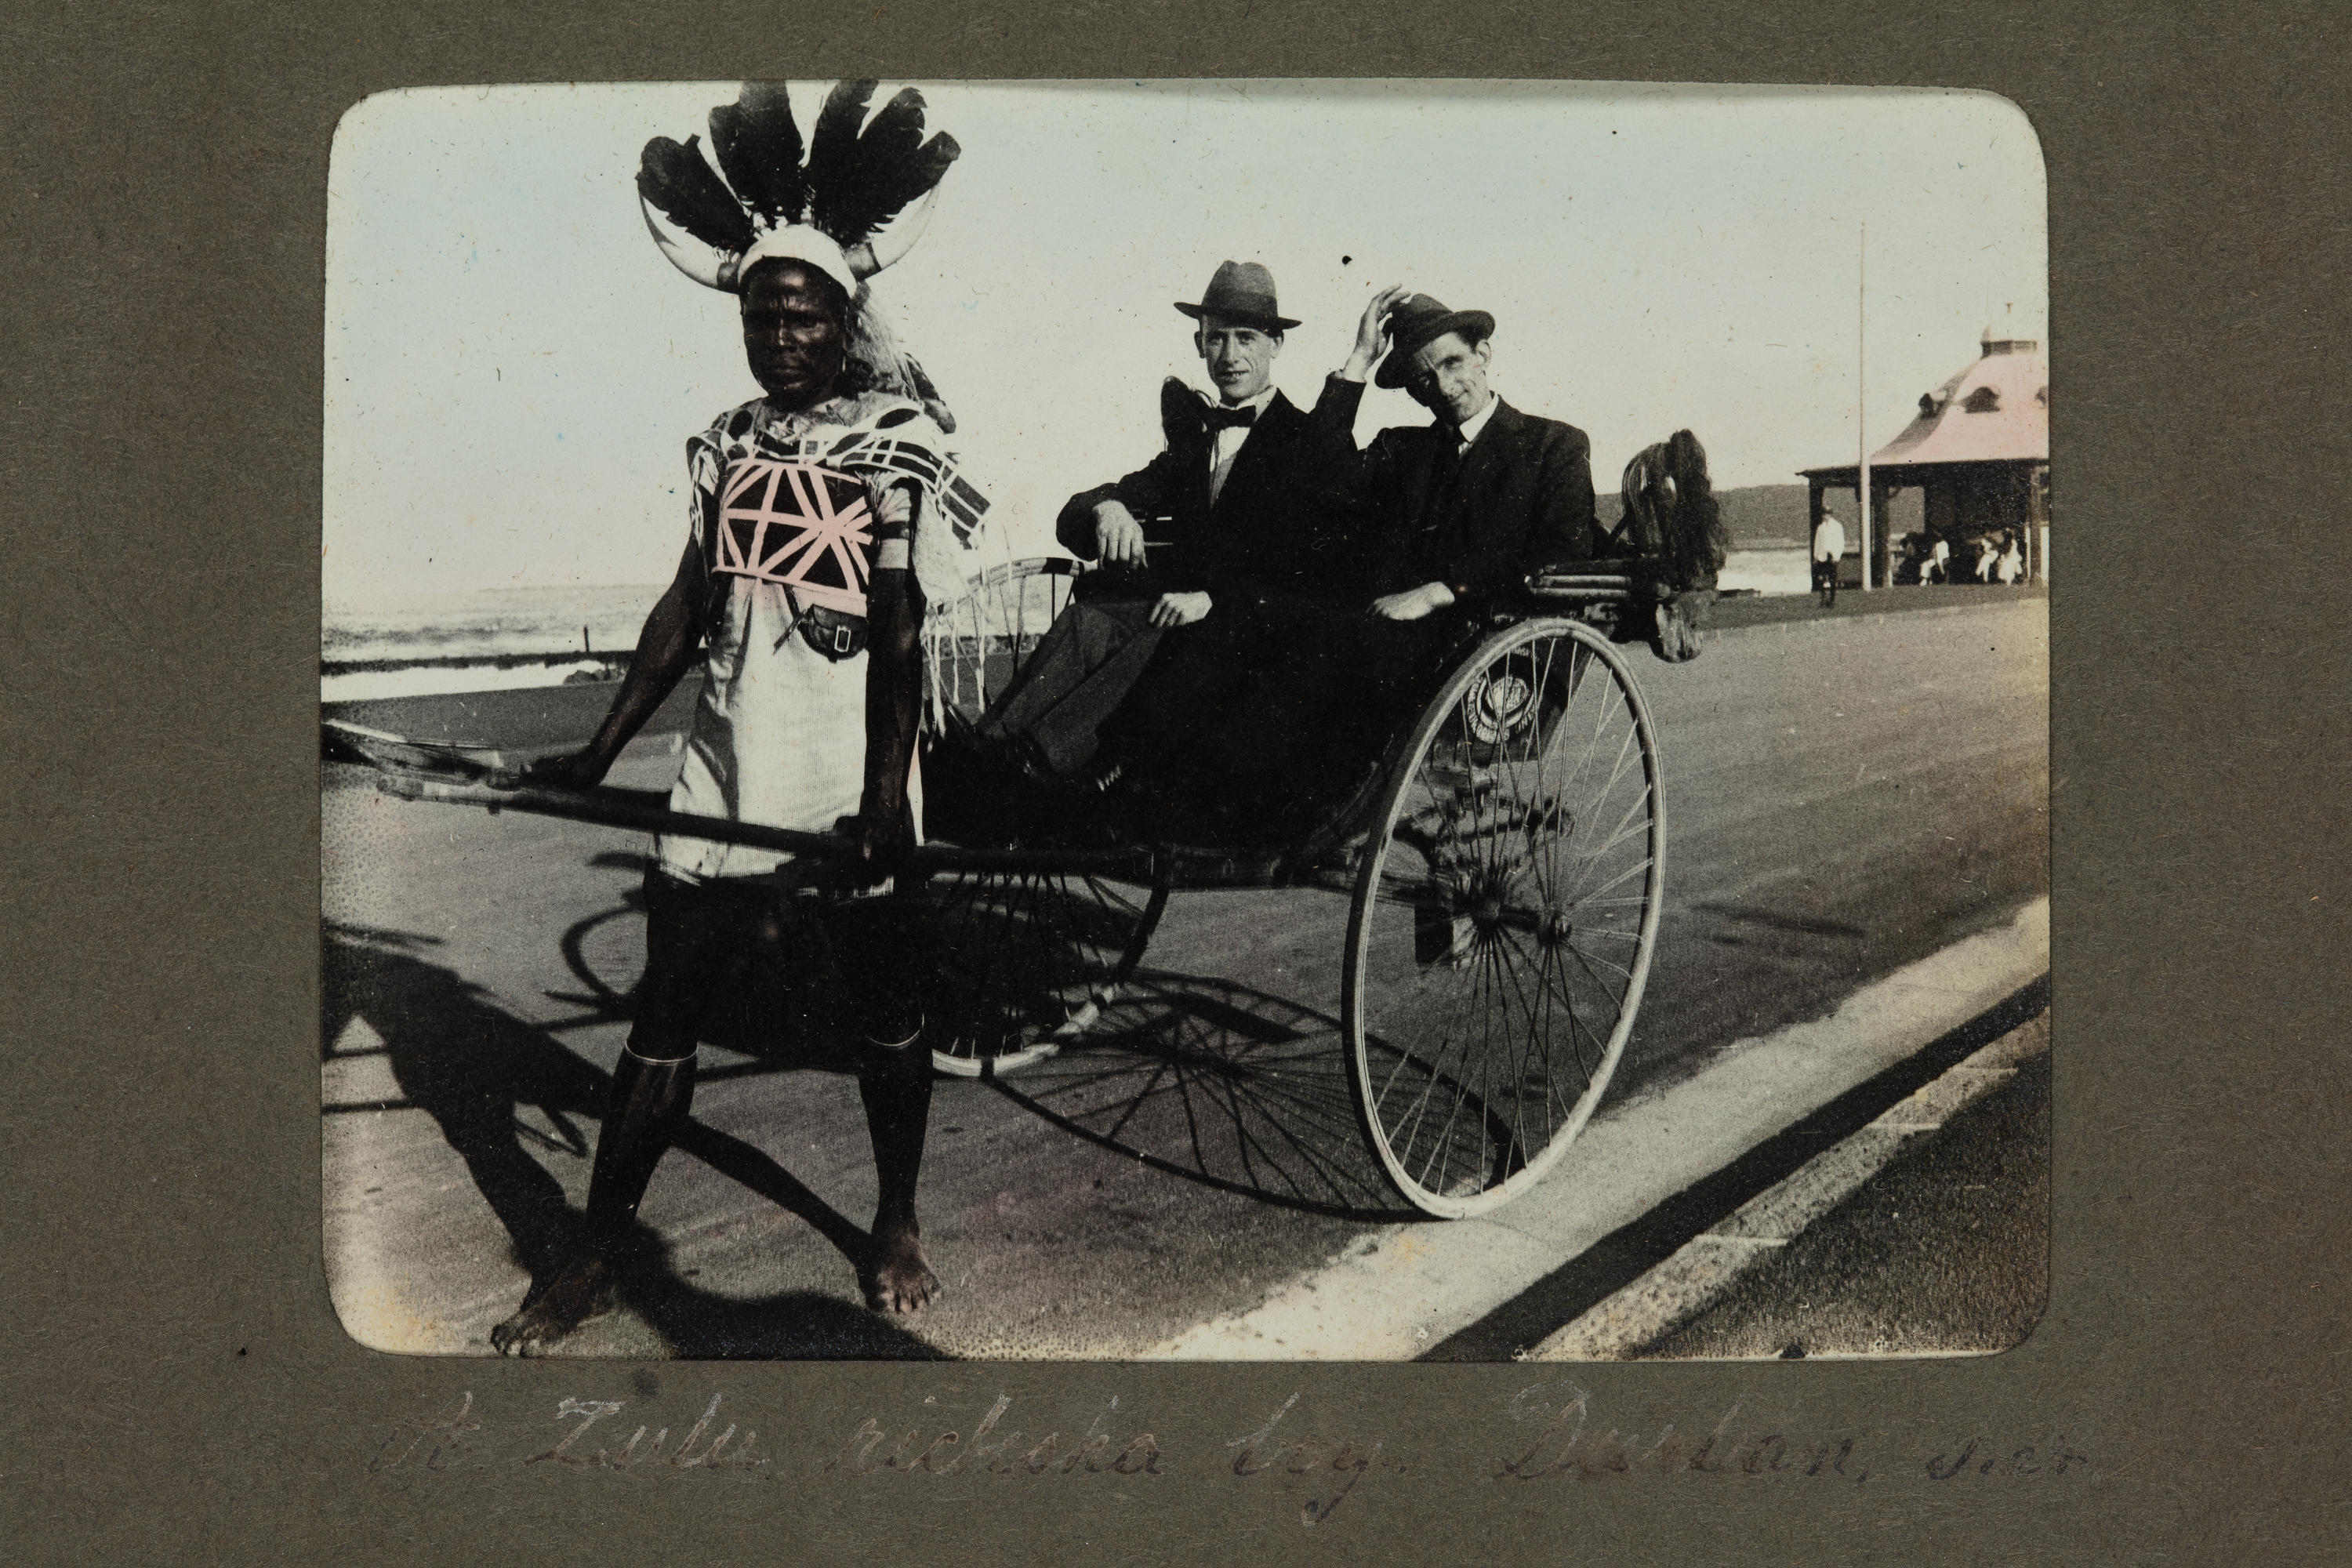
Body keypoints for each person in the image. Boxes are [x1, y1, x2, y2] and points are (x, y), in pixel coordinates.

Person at [490, 80, 981, 1354]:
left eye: (806, 315)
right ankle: (596, 1252)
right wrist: (596, 750)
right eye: (764, 315)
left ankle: (895, 1223)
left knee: (886, 1015)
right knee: (664, 1019)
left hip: (843, 764)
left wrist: (882, 803)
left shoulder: (895, 436)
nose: (783, 336)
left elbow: (902, 627)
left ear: (842, 320)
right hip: (725, 760)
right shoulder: (726, 441)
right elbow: (685, 605)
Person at [1125, 284, 1602, 840]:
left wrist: (1443, 589)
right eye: (1425, 379)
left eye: (1453, 364)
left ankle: (1266, 813)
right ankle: (1208, 800)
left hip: (1487, 649)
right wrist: (1358, 361)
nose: (1444, 388)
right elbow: (1316, 478)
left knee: (1326, 645)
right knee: (1252, 619)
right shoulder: (1404, 452)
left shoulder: (1553, 447)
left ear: (1483, 355)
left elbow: (1562, 557)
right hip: (1388, 635)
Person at [971, 261, 1354, 789]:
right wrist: (1108, 507)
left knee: (1162, 632)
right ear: (1199, 346)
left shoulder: (1306, 440)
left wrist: (1216, 601)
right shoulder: (1193, 447)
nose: (1230, 356)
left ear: (1275, 345)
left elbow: (1310, 567)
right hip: (1178, 623)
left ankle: (1042, 761)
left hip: (1253, 634)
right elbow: (1075, 515)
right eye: (1215, 339)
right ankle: (988, 747)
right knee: (1090, 621)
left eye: (1246, 339)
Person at [1813, 508, 1846, 608]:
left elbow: (1840, 542)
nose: (1825, 516)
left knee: (1832, 579)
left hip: (1832, 556)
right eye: (1824, 514)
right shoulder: (1820, 527)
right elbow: (1817, 542)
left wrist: (1837, 556)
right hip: (1822, 556)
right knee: (1822, 578)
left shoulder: (1837, 526)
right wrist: (1816, 556)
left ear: (1831, 515)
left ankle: (1832, 600)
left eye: (1827, 514)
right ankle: (1823, 600)